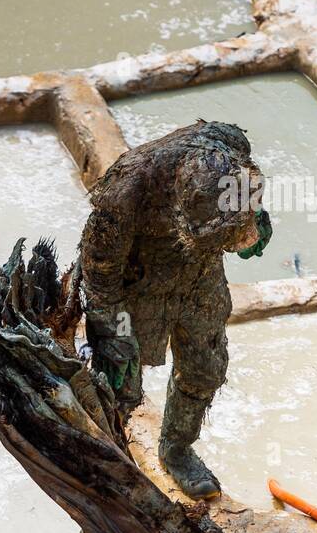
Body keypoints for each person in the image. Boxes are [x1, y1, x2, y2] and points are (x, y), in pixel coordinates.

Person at [78, 120, 272, 500]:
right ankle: (111, 487)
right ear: (182, 212)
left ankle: (177, 449)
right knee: (119, 386)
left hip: (199, 278)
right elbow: (99, 270)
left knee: (205, 367)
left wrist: (253, 223)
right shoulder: (126, 189)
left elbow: (242, 203)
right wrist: (115, 330)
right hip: (136, 284)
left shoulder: (227, 146)